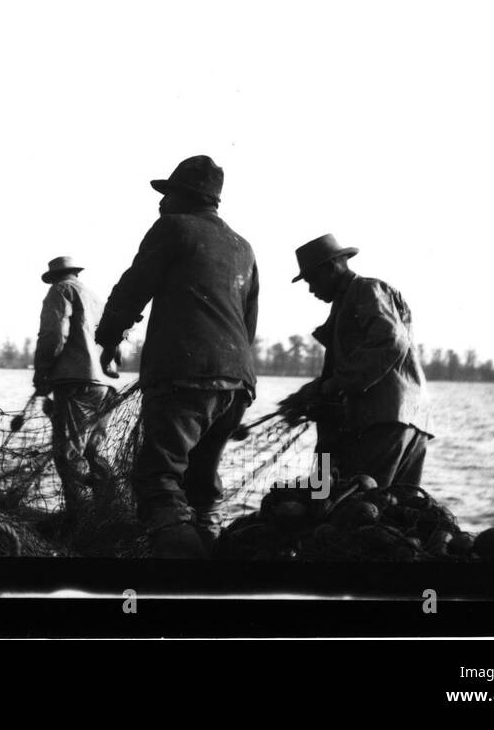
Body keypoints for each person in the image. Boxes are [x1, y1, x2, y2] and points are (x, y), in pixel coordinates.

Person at [95, 156, 259, 558]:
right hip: (236, 384)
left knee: (158, 481)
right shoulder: (243, 246)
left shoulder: (173, 227)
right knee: (201, 484)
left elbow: (133, 288)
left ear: (184, 196)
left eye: (167, 194)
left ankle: (185, 572)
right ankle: (212, 553)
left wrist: (109, 338)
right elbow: (248, 322)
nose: (161, 202)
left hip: (185, 378)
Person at [288, 234, 432, 488]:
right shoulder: (347, 302)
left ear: (333, 267)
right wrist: (312, 391)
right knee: (394, 505)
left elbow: (390, 341)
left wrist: (335, 384)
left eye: (313, 280)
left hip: (384, 421)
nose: (311, 290)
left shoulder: (365, 290)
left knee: (359, 502)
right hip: (407, 418)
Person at [33, 256, 113, 512]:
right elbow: (115, 340)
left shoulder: (60, 290)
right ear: (75, 273)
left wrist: (42, 372)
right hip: (104, 386)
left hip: (76, 383)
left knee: (68, 453)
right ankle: (105, 511)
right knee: (94, 451)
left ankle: (79, 515)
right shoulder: (95, 297)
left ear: (54, 277)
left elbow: (54, 334)